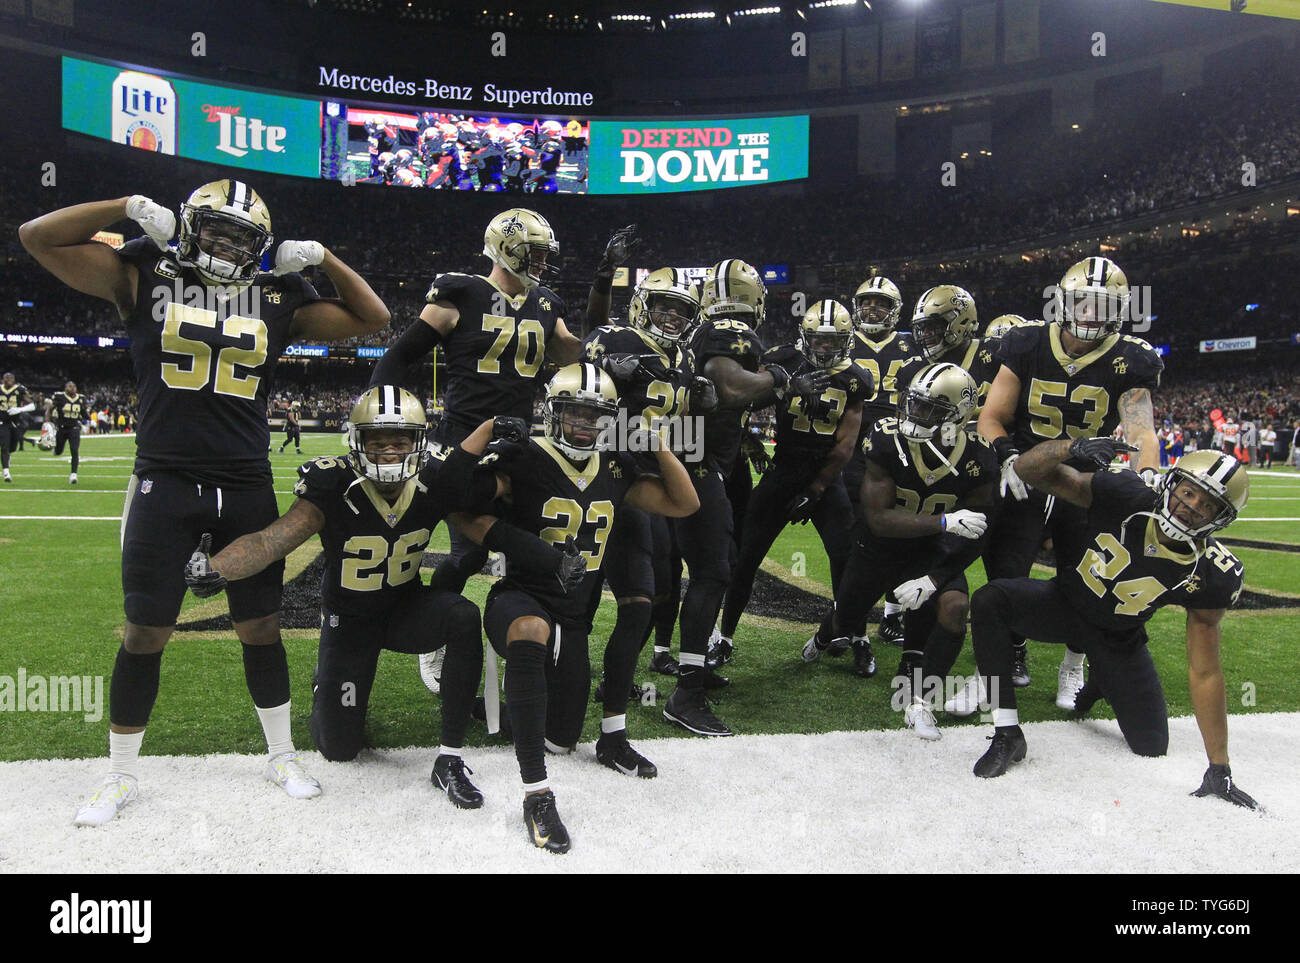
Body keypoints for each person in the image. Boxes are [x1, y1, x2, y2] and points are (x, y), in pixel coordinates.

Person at [20, 178, 391, 825]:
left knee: (260, 625)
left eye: (239, 235)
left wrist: (324, 257)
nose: (224, 243)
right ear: (189, 227)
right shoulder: (143, 273)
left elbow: (375, 318)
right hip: (164, 477)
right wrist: (125, 207)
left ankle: (280, 755)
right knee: (144, 631)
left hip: (244, 479)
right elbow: (36, 237)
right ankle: (119, 774)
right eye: (214, 229)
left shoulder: (276, 295)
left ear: (259, 247)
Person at [182, 386, 583, 809]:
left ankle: (449, 757)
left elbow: (488, 529)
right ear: (358, 443)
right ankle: (326, 681)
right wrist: (219, 568)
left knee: (462, 616)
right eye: (377, 442)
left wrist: (550, 560)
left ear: (417, 443)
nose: (389, 452)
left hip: (404, 610)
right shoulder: (334, 484)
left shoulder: (433, 480)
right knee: (339, 747)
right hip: (350, 622)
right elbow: (272, 540)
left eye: (399, 441)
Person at [457, 363, 699, 853]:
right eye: (575, 413)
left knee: (562, 737)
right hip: (519, 597)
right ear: (553, 410)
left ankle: (490, 709)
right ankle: (536, 796)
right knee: (529, 631)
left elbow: (684, 503)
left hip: (572, 615)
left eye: (596, 416)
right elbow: (457, 504)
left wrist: (655, 443)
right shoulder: (525, 455)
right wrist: (532, 551)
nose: (586, 424)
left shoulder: (614, 467)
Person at [968, 442, 1259, 814]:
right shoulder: (1127, 494)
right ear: (1173, 483)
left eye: (1207, 505)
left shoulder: (1213, 572)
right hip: (1065, 605)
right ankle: (1007, 732)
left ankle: (1103, 682)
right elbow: (1028, 471)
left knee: (1151, 745)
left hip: (1119, 638)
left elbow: (1205, 671)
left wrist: (1219, 766)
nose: (1190, 508)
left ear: (1222, 518)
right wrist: (1069, 447)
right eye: (1188, 493)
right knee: (990, 600)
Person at [366, 208, 583, 692]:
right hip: (464, 443)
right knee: (467, 553)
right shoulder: (462, 291)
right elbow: (401, 354)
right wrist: (380, 411)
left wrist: (605, 342)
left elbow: (571, 349)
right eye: (535, 252)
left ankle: (528, 651)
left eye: (547, 253)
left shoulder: (546, 303)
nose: (544, 262)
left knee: (534, 552)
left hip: (520, 445)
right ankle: (435, 640)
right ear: (506, 248)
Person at [975, 257, 1162, 703]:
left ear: (1119, 310)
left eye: (1101, 305)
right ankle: (1007, 657)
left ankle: (1073, 665)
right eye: (1082, 302)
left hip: (1082, 481)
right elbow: (992, 417)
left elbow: (1140, 430)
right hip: (1024, 471)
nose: (1089, 314)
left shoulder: (1130, 358)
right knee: (1007, 572)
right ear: (1064, 301)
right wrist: (1006, 457)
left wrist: (1149, 476)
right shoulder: (1026, 342)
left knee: (1085, 578)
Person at [582, 262, 715, 772]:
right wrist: (607, 374)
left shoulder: (683, 359)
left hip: (639, 488)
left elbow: (676, 439)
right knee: (577, 602)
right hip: (593, 481)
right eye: (664, 305)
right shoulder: (612, 337)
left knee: (642, 599)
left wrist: (702, 418)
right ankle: (557, 681)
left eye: (682, 309)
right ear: (642, 304)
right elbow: (572, 398)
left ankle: (613, 732)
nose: (673, 316)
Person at [822, 363, 997, 738]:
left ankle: (921, 703)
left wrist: (935, 578)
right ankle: (823, 636)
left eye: (929, 409)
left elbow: (980, 532)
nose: (914, 414)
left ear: (958, 416)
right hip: (878, 546)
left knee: (953, 608)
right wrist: (946, 522)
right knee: (846, 619)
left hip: (931, 551)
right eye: (913, 404)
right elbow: (879, 518)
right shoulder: (886, 438)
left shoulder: (979, 457)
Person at [718, 300, 870, 666]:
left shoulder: (857, 377)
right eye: (818, 340)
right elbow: (741, 397)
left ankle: (855, 635)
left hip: (826, 477)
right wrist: (749, 438)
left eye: (833, 342)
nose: (825, 348)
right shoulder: (782, 359)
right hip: (782, 471)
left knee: (849, 562)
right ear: (805, 337)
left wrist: (816, 490)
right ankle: (722, 636)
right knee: (744, 559)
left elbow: (846, 445)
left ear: (847, 341)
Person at [845, 277, 914, 649]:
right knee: (854, 534)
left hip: (899, 451)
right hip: (851, 449)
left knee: (895, 534)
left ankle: (892, 615)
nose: (872, 309)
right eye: (867, 302)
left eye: (881, 304)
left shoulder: (911, 343)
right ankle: (849, 618)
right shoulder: (844, 338)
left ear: (894, 310)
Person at [46, 381, 90, 485]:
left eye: (74, 386)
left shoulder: (81, 398)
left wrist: (89, 421)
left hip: (74, 428)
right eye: (70, 386)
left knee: (74, 450)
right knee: (58, 451)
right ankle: (56, 450)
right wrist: (47, 423)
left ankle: (73, 474)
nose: (72, 388)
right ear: (65, 388)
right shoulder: (59, 397)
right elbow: (49, 409)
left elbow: (83, 412)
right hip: (61, 428)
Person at [1, 371, 35, 483]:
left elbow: (32, 405)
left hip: (15, 423)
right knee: (5, 446)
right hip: (2, 422)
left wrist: (19, 409)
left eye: (11, 378)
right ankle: (6, 473)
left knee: (13, 447)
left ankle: (8, 457)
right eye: (7, 378)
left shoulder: (19, 389)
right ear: (3, 379)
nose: (9, 380)